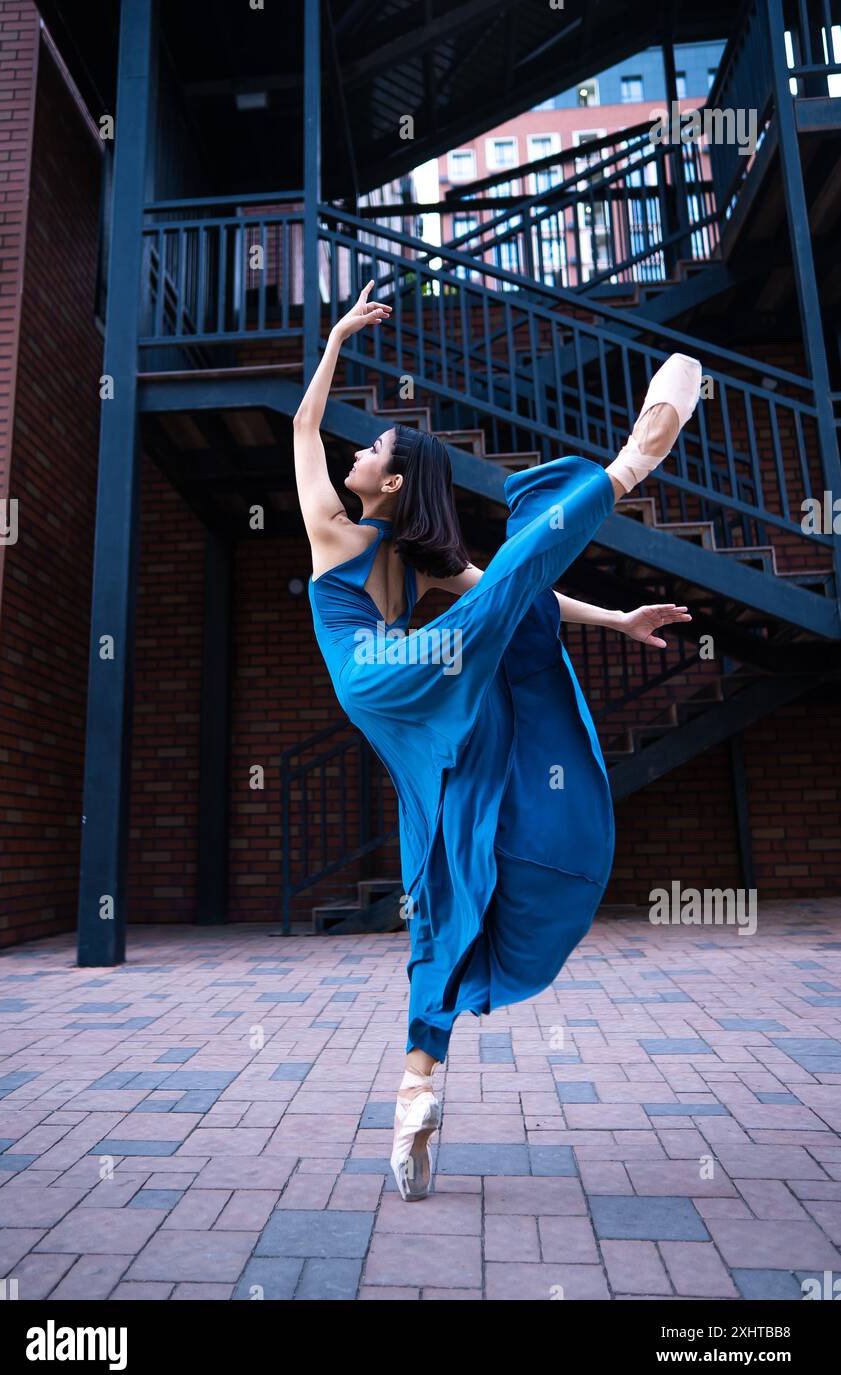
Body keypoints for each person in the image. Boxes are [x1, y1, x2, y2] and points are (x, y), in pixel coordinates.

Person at [293, 280, 702, 1200]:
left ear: (391, 486)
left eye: (371, 451)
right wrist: (338, 335)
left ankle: (416, 1094)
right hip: (403, 674)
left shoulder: (381, 547)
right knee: (497, 603)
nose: (351, 454)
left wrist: (613, 619)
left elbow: (522, 593)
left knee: (438, 878)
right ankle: (627, 467)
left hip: (400, 696)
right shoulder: (356, 538)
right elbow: (511, 584)